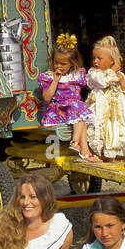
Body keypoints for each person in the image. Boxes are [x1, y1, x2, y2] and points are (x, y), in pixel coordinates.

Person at [39, 33, 96, 161]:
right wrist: (55, 80)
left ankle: (84, 150)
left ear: (72, 63)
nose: (59, 66)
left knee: (82, 116)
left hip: (74, 110)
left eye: (63, 64)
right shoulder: (48, 77)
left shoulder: (77, 75)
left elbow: (88, 85)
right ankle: (75, 143)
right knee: (79, 109)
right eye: (56, 62)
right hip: (58, 110)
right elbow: (47, 98)